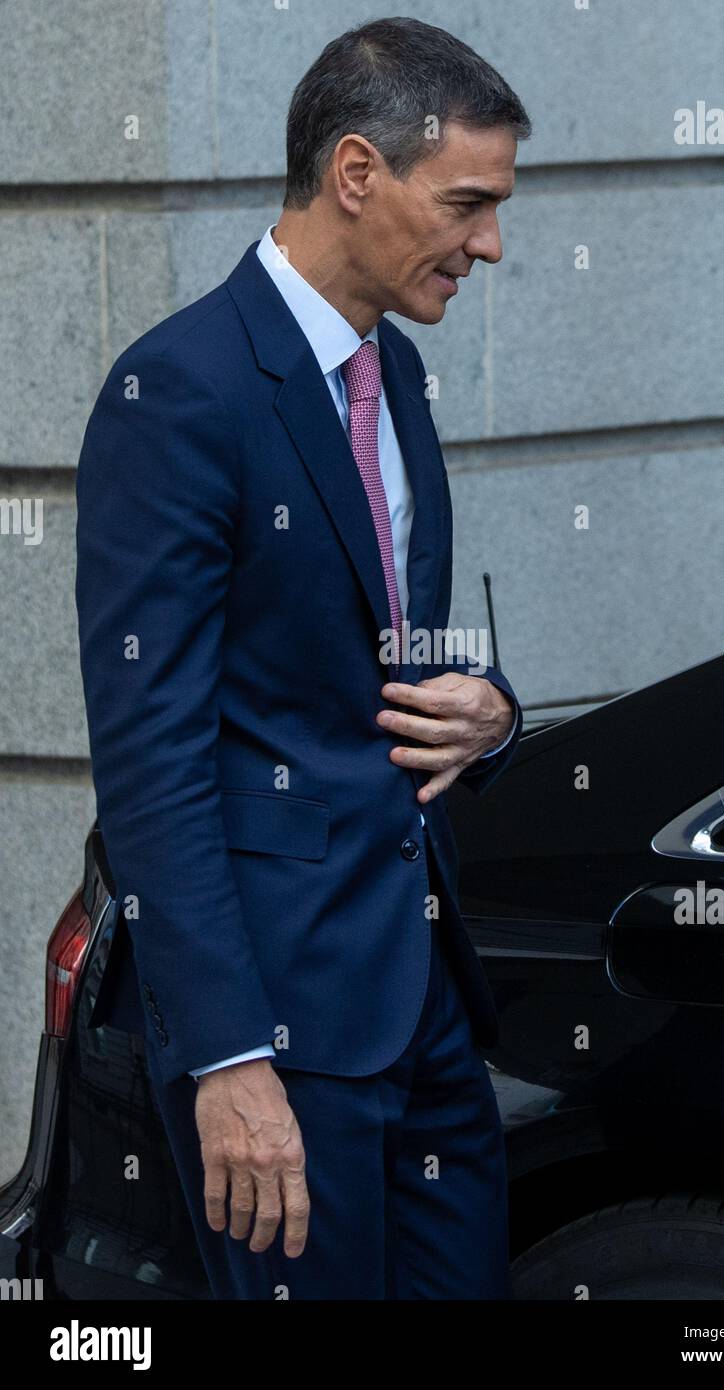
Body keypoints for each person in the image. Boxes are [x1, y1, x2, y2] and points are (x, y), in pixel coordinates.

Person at [75, 15, 531, 1299]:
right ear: (354, 173)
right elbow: (151, 762)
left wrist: (490, 711)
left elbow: (383, 652)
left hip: (425, 1003)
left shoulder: (399, 376)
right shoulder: (176, 393)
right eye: (467, 204)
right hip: (277, 1031)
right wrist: (227, 1059)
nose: (489, 243)